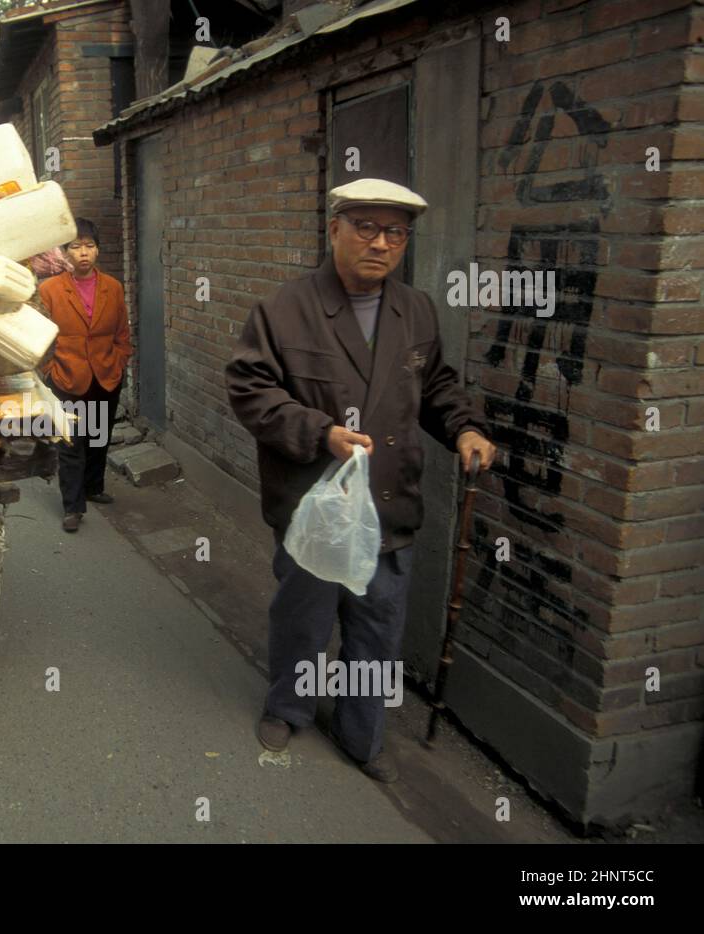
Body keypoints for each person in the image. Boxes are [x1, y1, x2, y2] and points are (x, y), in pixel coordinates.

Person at [225, 179, 497, 783]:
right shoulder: (283, 310)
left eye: (395, 232)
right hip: (314, 504)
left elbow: (437, 389)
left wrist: (464, 429)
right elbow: (250, 389)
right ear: (335, 230)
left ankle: (360, 732)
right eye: (366, 228)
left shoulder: (417, 310)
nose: (381, 242)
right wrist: (319, 432)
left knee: (378, 626)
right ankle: (288, 706)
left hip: (388, 502)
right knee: (305, 616)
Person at [38, 218, 133, 533]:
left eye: (89, 246)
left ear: (98, 250)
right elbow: (40, 336)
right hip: (67, 377)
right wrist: (49, 370)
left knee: (98, 437)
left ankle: (94, 487)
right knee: (71, 442)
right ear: (65, 253)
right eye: (75, 246)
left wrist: (119, 362)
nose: (83, 253)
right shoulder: (50, 290)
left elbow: (122, 332)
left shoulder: (113, 287)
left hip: (106, 375)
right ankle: (73, 506)